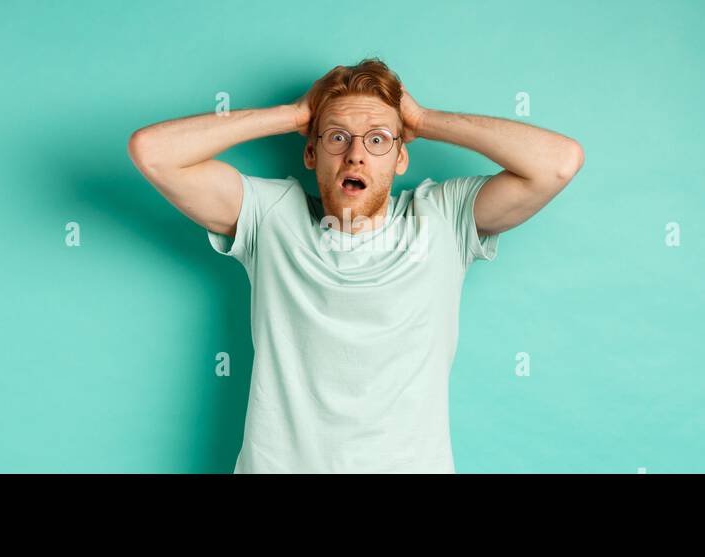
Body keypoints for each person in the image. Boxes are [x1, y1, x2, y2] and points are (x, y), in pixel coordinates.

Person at [127, 58, 583, 473]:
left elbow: (558, 164)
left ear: (401, 157)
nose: (356, 154)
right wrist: (293, 115)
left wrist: (422, 120)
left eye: (379, 140)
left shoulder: (444, 217)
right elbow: (152, 152)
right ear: (311, 152)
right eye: (338, 137)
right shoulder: (272, 216)